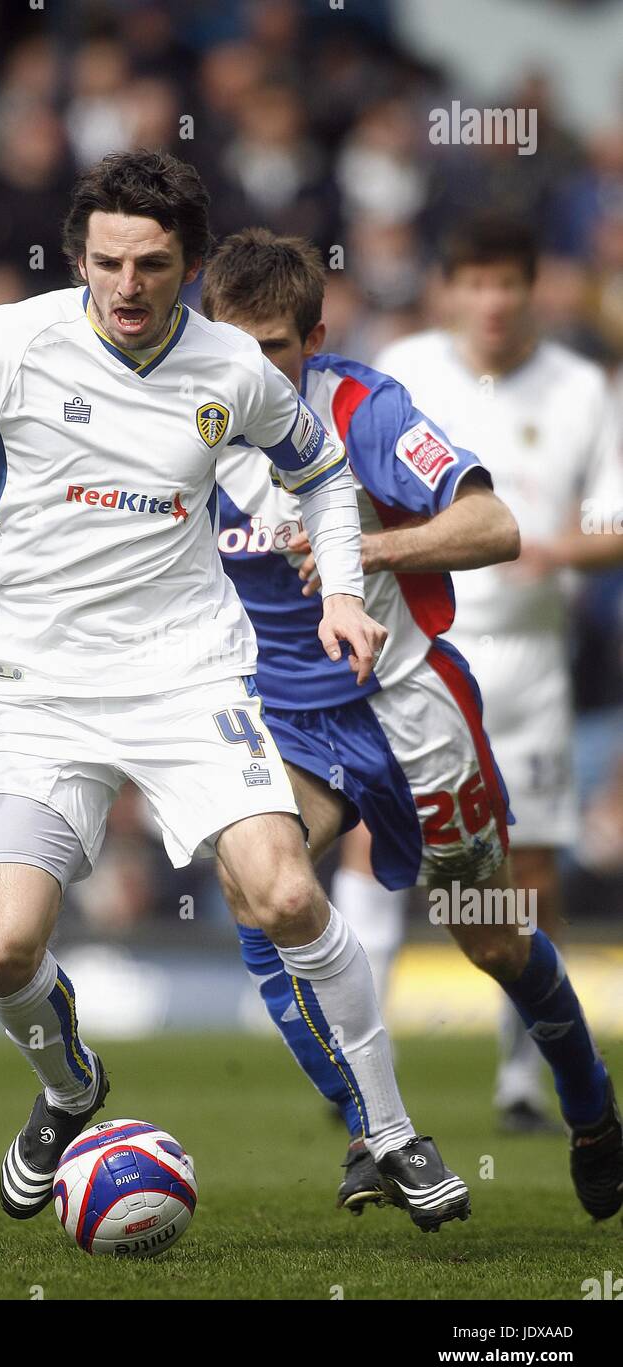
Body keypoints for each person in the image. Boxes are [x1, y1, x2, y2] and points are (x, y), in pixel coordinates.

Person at [0, 152, 470, 1234]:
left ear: (187, 266)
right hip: (36, 692)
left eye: (150, 265)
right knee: (0, 946)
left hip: (187, 678)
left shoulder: (232, 368)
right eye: (104, 262)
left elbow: (318, 470)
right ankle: (70, 1089)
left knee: (283, 894)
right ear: (77, 257)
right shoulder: (9, 340)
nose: (125, 286)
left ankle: (389, 1130)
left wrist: (339, 585)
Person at [201, 226, 623, 1222]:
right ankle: (370, 1128)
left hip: (404, 706)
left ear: (312, 337)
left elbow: (495, 527)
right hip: (284, 719)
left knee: (488, 934)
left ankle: (592, 1108)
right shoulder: (177, 416)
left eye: (273, 348)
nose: (250, 369)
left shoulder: (363, 406)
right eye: (230, 344)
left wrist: (373, 550)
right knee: (259, 889)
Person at [374, 215, 623, 1131]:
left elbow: (614, 519)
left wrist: (554, 548)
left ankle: (521, 1075)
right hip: (414, 647)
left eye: (506, 283)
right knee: (386, 854)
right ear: (446, 289)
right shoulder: (402, 367)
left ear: (533, 289)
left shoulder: (581, 390)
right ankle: (366, 1075)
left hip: (528, 663)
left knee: (526, 874)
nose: (490, 301)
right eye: (472, 282)